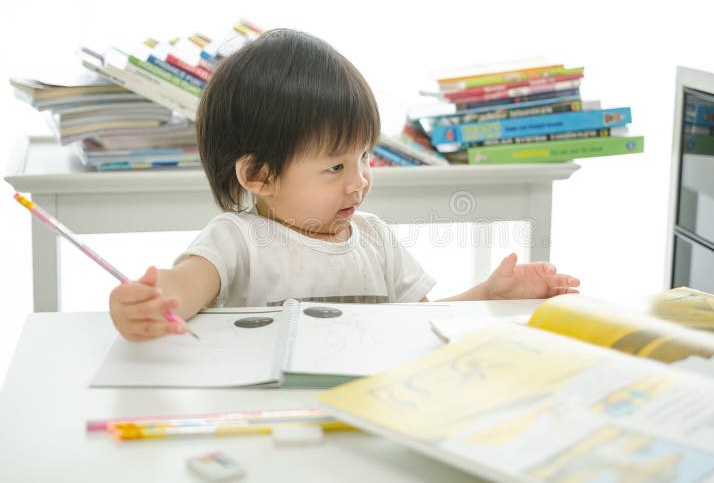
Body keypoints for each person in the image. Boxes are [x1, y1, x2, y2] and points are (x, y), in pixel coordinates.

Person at [109, 28, 580, 341]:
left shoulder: (375, 239)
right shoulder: (236, 241)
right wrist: (150, 301)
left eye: (364, 156)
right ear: (258, 176)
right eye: (335, 167)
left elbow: (422, 322)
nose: (360, 181)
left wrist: (489, 296)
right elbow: (183, 288)